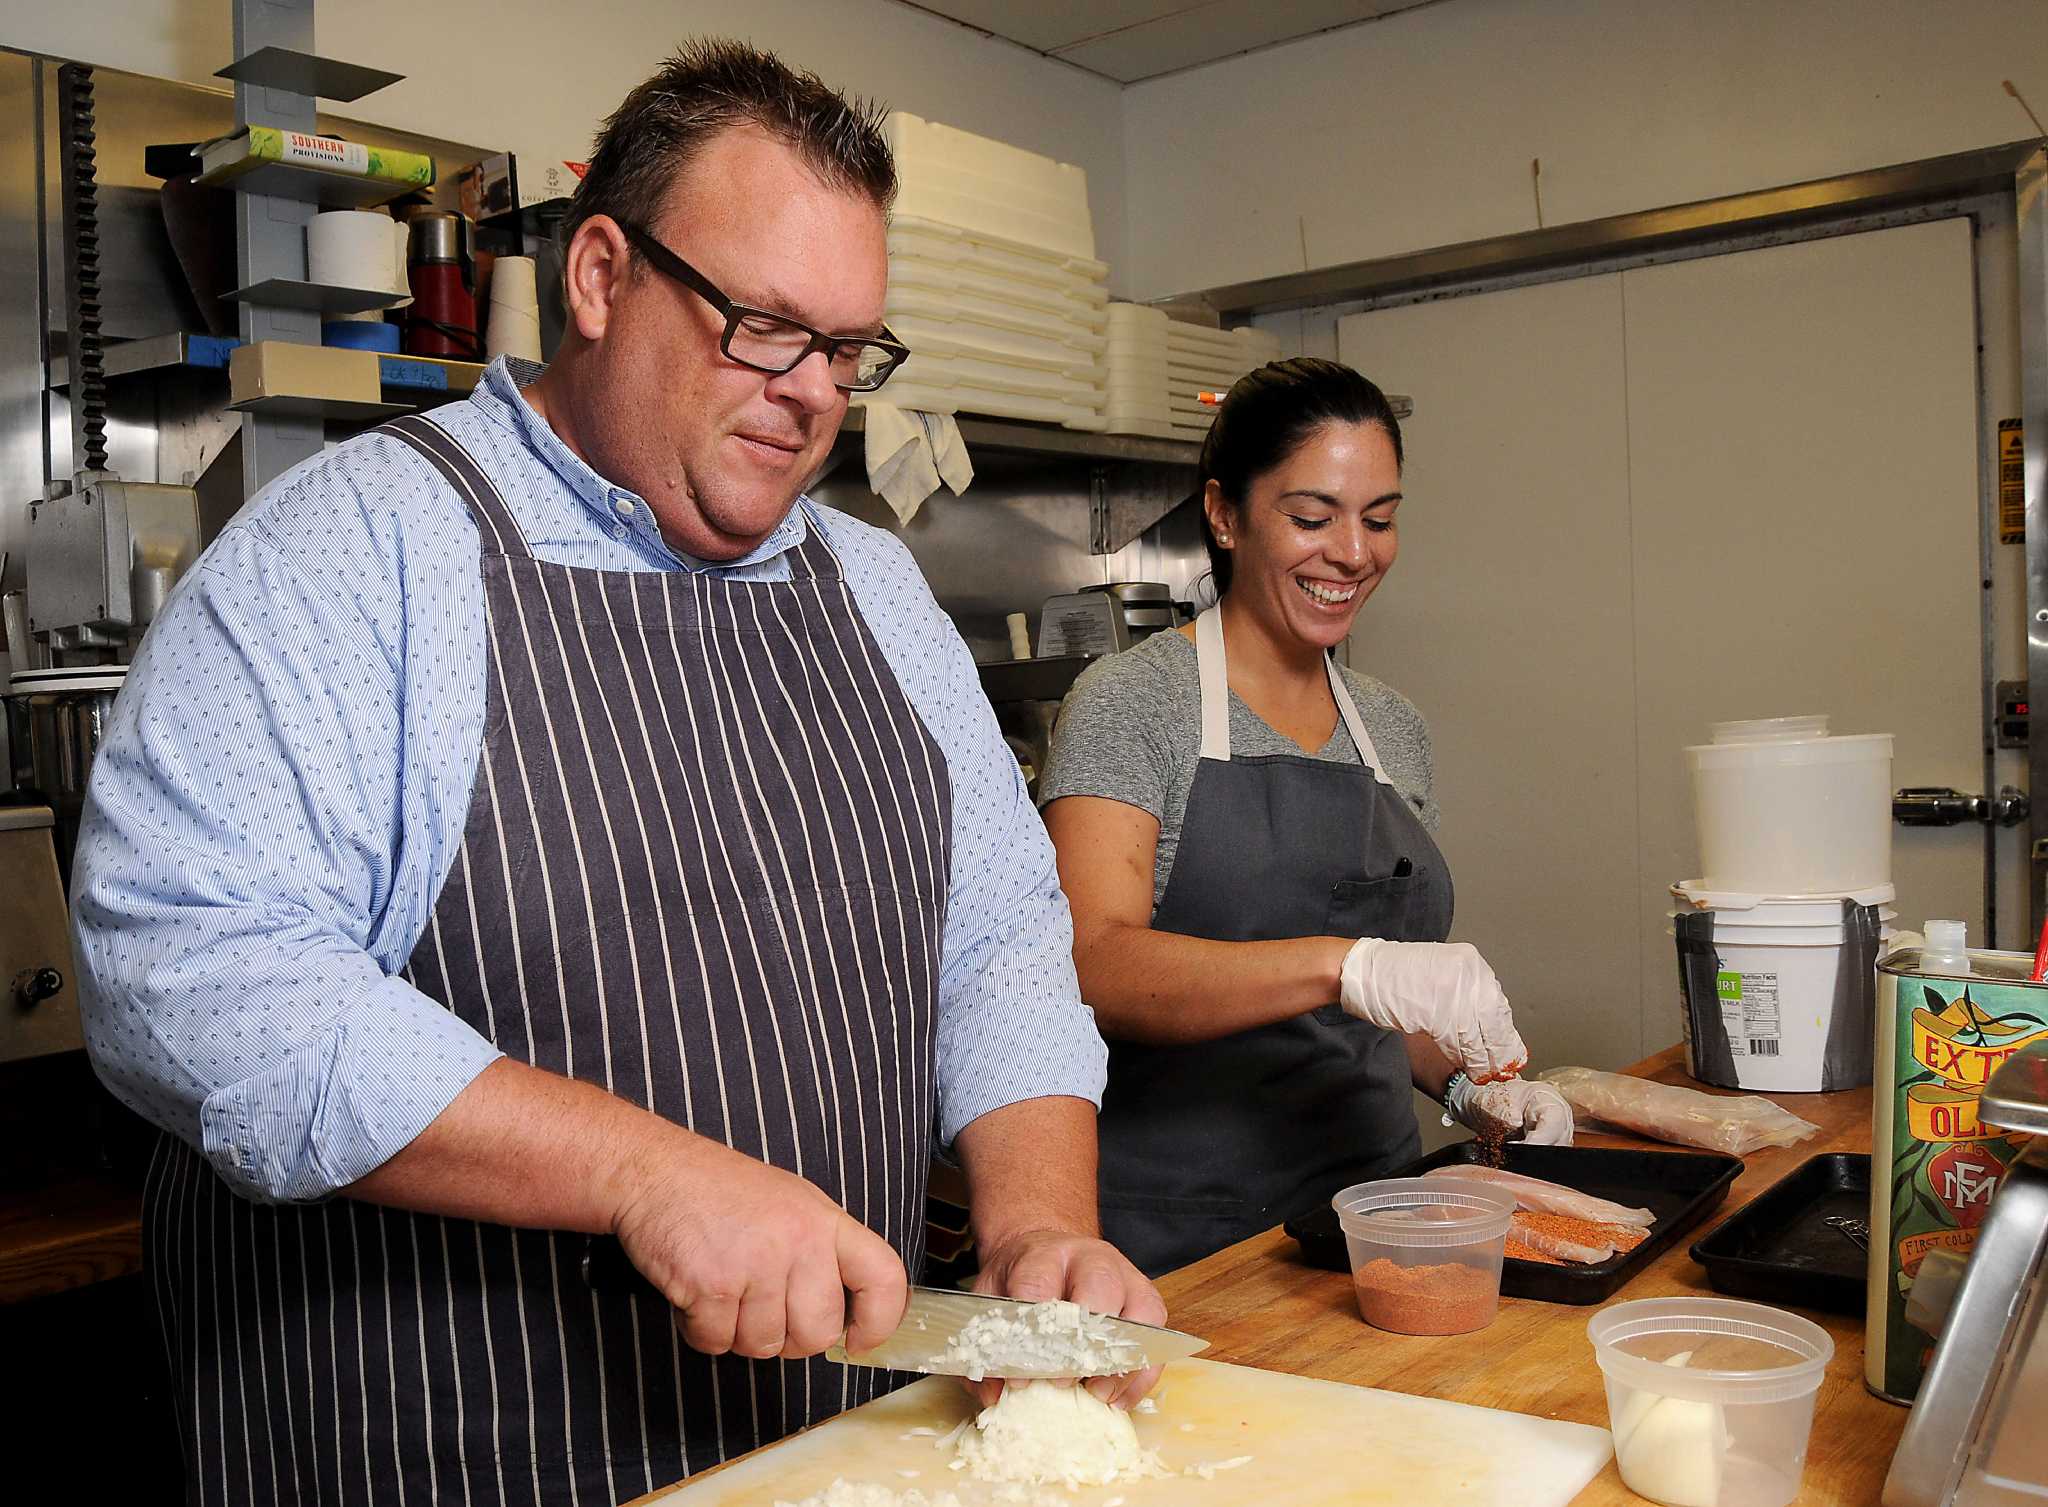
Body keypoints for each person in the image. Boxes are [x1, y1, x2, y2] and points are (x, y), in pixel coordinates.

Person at [71, 40, 1160, 1505]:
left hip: (829, 1450)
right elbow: (189, 971)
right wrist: (646, 1170)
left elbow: (1003, 946)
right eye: (765, 326)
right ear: (599, 276)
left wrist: (1037, 1233)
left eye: (846, 349)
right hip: (439, 1452)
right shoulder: (360, 549)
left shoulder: (877, 590)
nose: (810, 394)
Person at [1038, 358, 1572, 1278]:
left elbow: (1383, 994)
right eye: (1312, 517)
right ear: (1223, 512)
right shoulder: (1134, 704)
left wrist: (1466, 1083)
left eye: (1380, 518)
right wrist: (1342, 965)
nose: (1353, 554)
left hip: (1378, 1223)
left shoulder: (1393, 727)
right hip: (1184, 1245)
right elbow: (1090, 962)